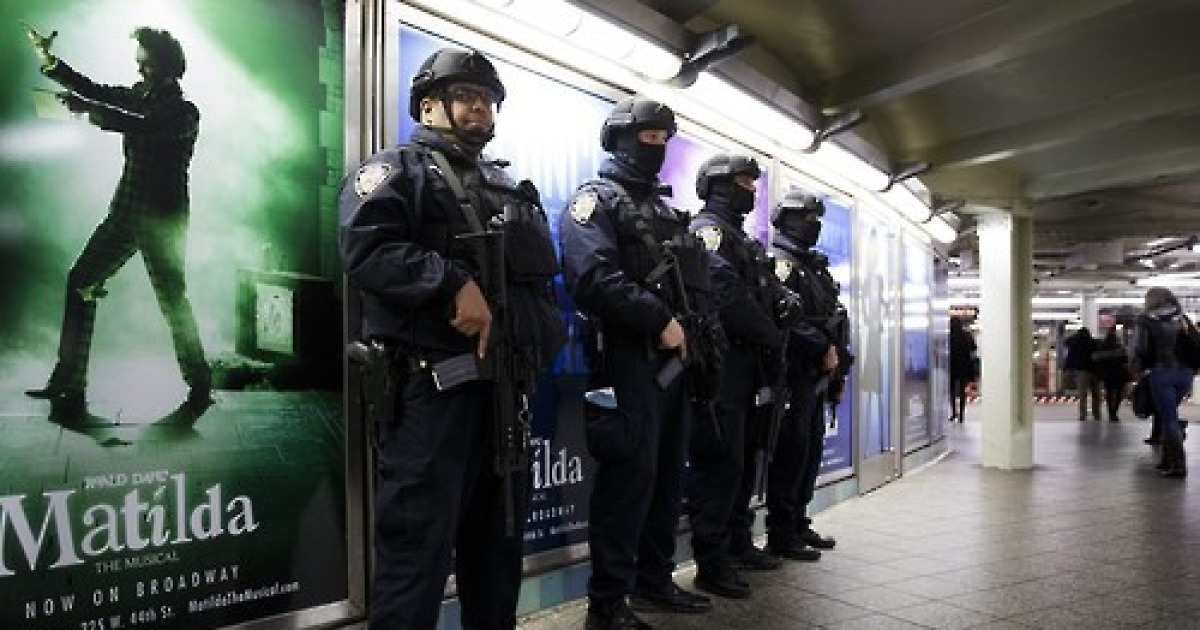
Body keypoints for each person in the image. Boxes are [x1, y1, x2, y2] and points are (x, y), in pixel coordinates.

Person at [338, 48, 562, 629]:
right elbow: (367, 249)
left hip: (505, 395)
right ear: (429, 104)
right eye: (465, 95)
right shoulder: (397, 171)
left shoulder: (508, 187)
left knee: (498, 550)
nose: (479, 107)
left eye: (486, 98)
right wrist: (450, 283)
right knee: (417, 553)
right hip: (430, 397)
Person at [560, 95, 717, 629]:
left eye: (662, 140)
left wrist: (689, 329)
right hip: (623, 365)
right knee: (628, 483)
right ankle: (607, 605)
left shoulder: (665, 209)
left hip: (672, 365)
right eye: (645, 137)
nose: (655, 148)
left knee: (667, 478)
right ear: (619, 139)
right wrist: (658, 319)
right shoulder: (594, 201)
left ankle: (654, 582)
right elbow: (591, 277)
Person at [23, 25, 211, 418]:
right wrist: (49, 61)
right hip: (125, 213)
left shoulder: (184, 112)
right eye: (138, 58)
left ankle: (199, 381)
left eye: (146, 59)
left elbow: (142, 125)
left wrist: (89, 111)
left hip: (163, 221)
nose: (139, 65)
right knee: (80, 282)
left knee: (172, 300)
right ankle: (68, 379)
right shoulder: (140, 95)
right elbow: (97, 91)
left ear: (166, 64)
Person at [685, 154, 791, 599]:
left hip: (750, 366)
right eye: (742, 181)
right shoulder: (707, 231)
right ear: (716, 185)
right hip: (724, 365)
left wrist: (783, 302)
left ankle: (737, 540)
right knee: (721, 464)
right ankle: (712, 561)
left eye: (753, 181)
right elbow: (726, 295)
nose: (750, 189)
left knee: (746, 458)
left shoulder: (742, 240)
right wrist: (770, 330)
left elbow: (763, 291)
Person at [763, 191, 845, 561]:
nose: (813, 224)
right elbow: (783, 323)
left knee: (809, 449)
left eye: (816, 218)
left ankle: (798, 520)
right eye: (805, 218)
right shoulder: (781, 264)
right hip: (792, 372)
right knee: (792, 451)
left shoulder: (811, 266)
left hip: (816, 373)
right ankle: (781, 531)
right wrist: (819, 348)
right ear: (786, 220)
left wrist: (837, 363)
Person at [1132, 287, 1190, 478]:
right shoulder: (1182, 317)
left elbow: (1140, 348)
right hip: (1184, 374)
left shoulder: (1145, 319)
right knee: (1168, 414)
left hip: (1161, 372)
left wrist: (1138, 368)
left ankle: (1179, 465)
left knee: (1169, 418)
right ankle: (1167, 460)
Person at [1091, 328, 1129, 422]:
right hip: (1119, 374)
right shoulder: (1119, 348)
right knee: (1119, 393)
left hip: (1107, 374)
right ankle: (1114, 412)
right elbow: (1125, 360)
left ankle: (1110, 412)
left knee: (1109, 393)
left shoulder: (1102, 347)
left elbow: (1097, 360)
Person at [1064, 326, 1101, 421]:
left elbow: (1066, 341)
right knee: (1096, 394)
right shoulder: (1093, 342)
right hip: (1095, 371)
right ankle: (1096, 414)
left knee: (1082, 395)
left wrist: (1076, 336)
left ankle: (1082, 415)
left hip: (1082, 371)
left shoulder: (1075, 342)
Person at [948, 316, 978, 423]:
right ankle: (961, 414)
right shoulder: (966, 335)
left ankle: (953, 413)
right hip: (964, 366)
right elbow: (974, 349)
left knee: (951, 390)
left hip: (951, 366)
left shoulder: (948, 336)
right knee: (962, 390)